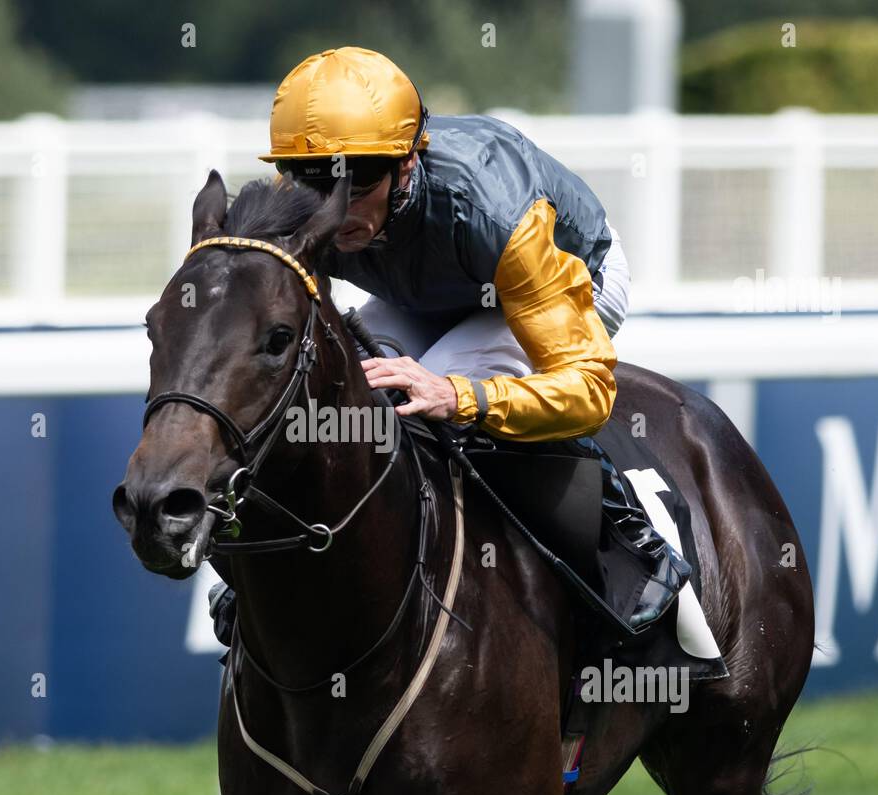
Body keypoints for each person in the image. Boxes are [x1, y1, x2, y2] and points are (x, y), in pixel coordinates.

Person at [209, 46, 689, 640]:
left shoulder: (494, 212)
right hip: (428, 291)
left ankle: (627, 537)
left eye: (359, 178)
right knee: (346, 399)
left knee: (422, 405)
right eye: (313, 180)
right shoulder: (300, 207)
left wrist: (458, 395)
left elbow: (588, 390)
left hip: (568, 276)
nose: (337, 205)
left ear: (408, 161)